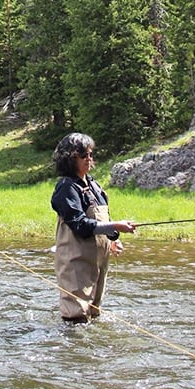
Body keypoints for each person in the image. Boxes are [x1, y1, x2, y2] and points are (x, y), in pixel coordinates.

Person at [51, 132, 136, 323]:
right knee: (76, 315)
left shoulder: (93, 185)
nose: (89, 159)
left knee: (94, 312)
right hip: (76, 262)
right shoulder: (66, 187)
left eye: (90, 154)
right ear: (70, 158)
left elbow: (102, 217)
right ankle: (72, 350)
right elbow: (80, 224)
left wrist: (114, 238)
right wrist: (114, 226)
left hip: (98, 260)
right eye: (83, 156)